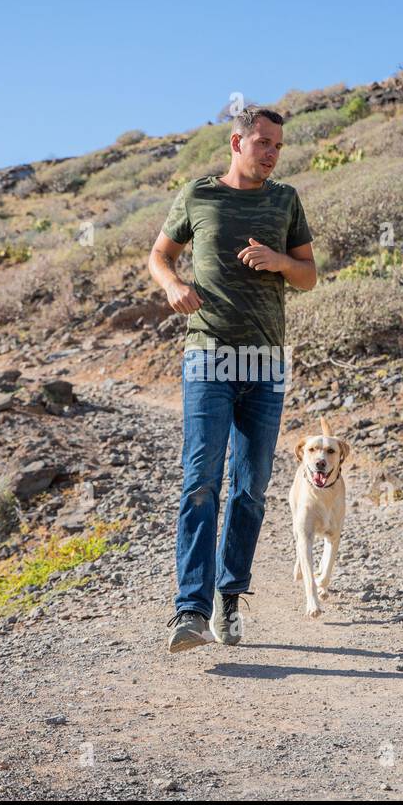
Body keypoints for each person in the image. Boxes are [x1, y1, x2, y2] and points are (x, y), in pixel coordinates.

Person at [147, 105, 316, 652]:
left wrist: (278, 261)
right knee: (200, 481)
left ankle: (228, 599)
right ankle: (189, 611)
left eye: (277, 146)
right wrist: (172, 284)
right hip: (208, 358)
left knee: (249, 489)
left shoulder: (286, 200)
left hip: (265, 365)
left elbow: (309, 277)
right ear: (236, 142)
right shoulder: (198, 196)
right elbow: (159, 254)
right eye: (262, 142)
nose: (270, 152)